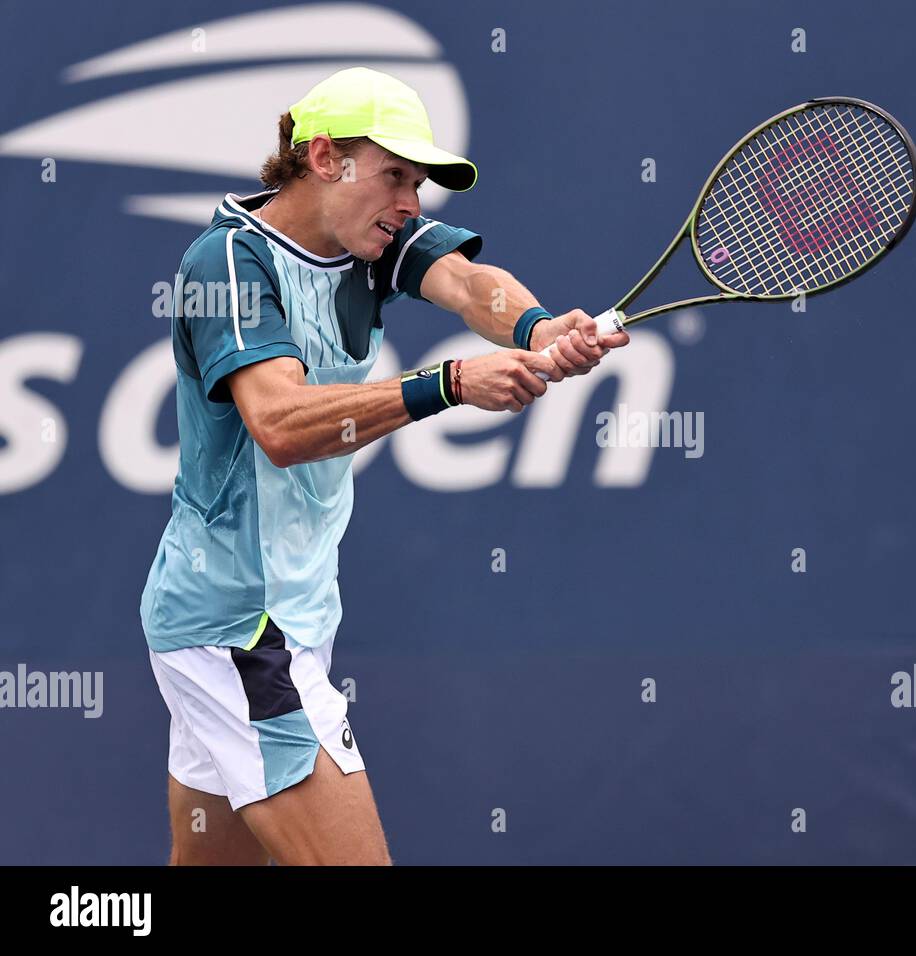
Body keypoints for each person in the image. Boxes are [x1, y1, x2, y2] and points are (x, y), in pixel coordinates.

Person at [139, 67, 628, 865]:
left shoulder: (373, 242)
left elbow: (471, 286)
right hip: (239, 624)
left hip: (281, 618)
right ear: (325, 157)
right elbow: (280, 424)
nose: (412, 201)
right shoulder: (224, 264)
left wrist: (537, 330)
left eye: (420, 183)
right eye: (395, 175)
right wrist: (452, 382)